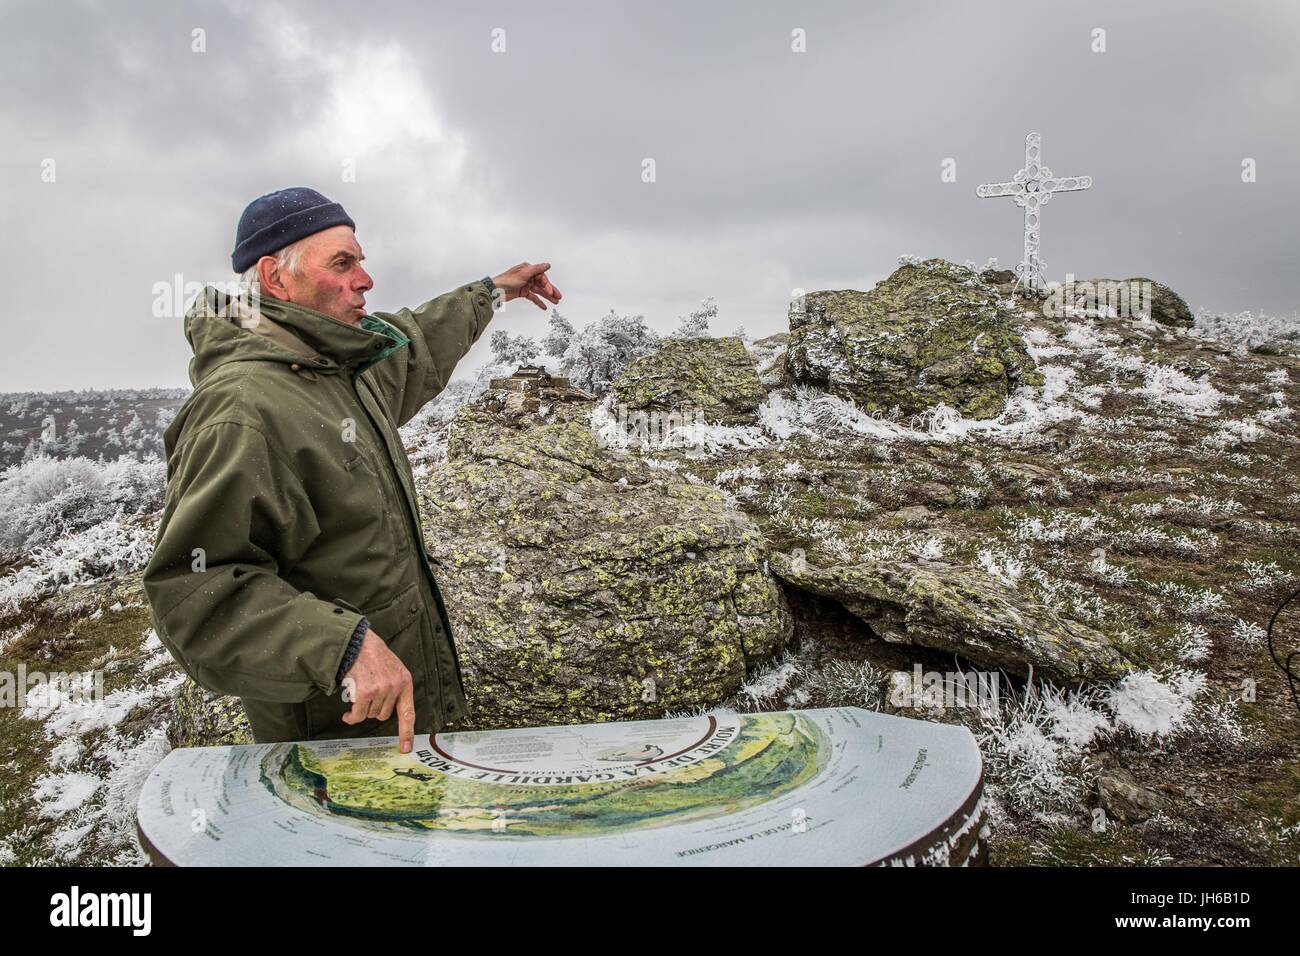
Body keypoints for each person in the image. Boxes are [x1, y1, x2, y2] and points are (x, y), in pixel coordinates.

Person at [143, 186, 562, 753]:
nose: (365, 279)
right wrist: (340, 646)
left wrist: (492, 292)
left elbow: (416, 341)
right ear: (275, 278)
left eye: (361, 262)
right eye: (343, 263)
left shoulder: (340, 373)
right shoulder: (242, 410)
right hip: (331, 741)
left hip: (405, 717)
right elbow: (196, 589)